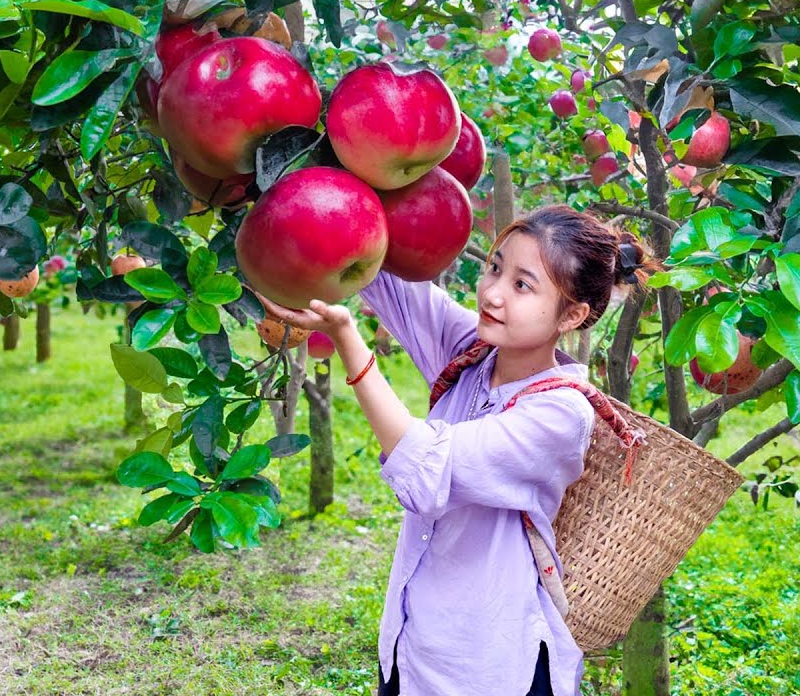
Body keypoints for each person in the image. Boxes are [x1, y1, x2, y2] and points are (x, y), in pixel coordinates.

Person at [257, 204, 659, 696]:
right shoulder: (472, 353)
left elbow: (425, 465)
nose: (491, 293)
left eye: (522, 285)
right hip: (412, 645)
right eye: (495, 268)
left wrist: (346, 337)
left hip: (490, 664)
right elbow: (380, 274)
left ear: (572, 315)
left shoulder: (560, 415)